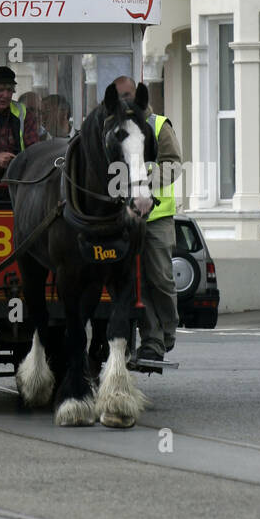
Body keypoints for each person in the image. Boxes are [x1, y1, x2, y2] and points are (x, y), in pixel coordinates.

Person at [112, 75, 181, 364]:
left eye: (129, 95)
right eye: (120, 97)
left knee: (160, 279)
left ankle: (167, 331)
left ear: (139, 96)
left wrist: (142, 184)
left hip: (157, 216)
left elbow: (174, 165)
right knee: (137, 281)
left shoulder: (158, 125)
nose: (125, 101)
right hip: (125, 217)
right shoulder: (115, 126)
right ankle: (152, 339)